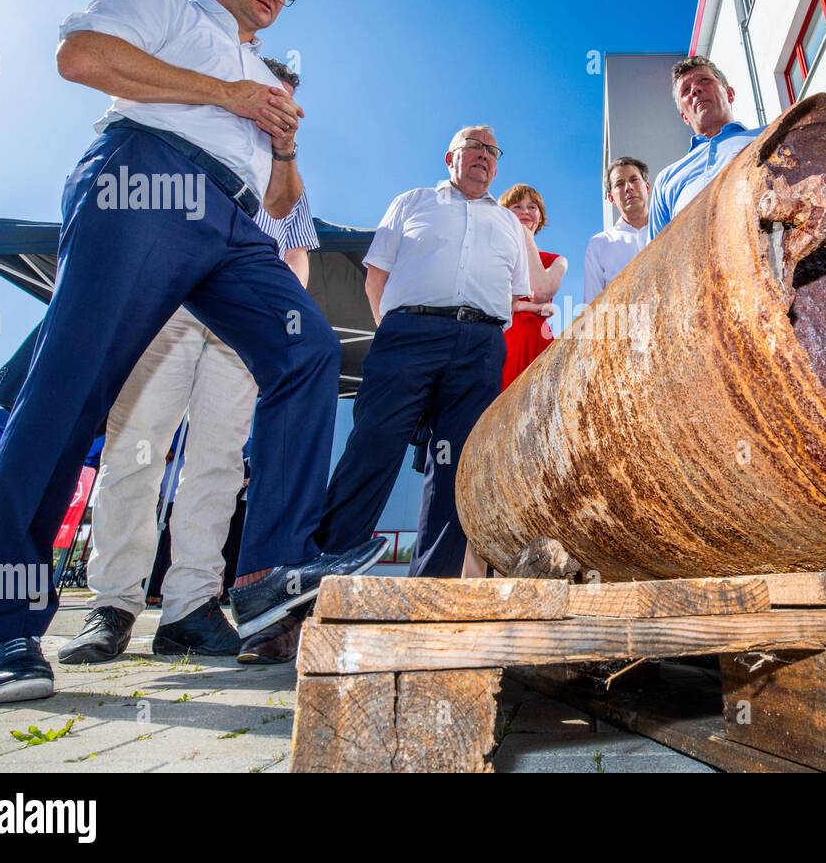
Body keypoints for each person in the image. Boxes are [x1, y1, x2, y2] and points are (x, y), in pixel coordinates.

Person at [0, 0, 383, 706]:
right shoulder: (166, 8)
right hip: (147, 178)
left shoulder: (266, 76)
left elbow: (285, 203)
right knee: (72, 389)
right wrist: (228, 95)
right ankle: (1, 635)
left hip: (237, 222)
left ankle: (264, 575)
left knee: (310, 351)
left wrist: (279, 140)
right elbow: (81, 58)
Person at [56, 57, 320, 666]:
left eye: (289, 99)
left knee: (219, 463)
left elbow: (295, 246)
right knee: (136, 449)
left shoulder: (286, 169)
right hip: (170, 309)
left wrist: (283, 152)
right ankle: (114, 603)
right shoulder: (194, 129)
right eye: (272, 92)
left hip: (243, 323)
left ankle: (191, 607)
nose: (279, 104)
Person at [308, 126, 528, 594]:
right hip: (408, 335)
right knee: (374, 443)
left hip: (480, 344)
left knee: (454, 464)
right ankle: (323, 578)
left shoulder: (508, 224)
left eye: (492, 151)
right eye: (475, 147)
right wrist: (394, 332)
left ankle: (431, 590)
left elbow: (516, 293)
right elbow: (376, 278)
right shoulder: (411, 202)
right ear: (451, 156)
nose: (484, 157)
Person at [648, 56, 765, 240]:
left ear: (730, 93)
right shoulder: (666, 180)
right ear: (684, 117)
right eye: (686, 90)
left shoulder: (767, 136)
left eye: (704, 80)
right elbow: (656, 261)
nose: (695, 89)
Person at [499, 183, 566, 389]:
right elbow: (495, 304)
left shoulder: (556, 260)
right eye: (517, 207)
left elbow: (539, 292)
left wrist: (526, 237)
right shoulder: (495, 257)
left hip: (540, 343)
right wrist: (534, 309)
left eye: (532, 207)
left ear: (541, 217)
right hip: (502, 343)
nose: (525, 212)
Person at [584, 156, 650, 303]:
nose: (629, 188)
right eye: (619, 184)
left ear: (647, 187)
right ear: (611, 198)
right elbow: (592, 304)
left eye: (634, 180)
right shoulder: (599, 244)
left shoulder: (668, 228)